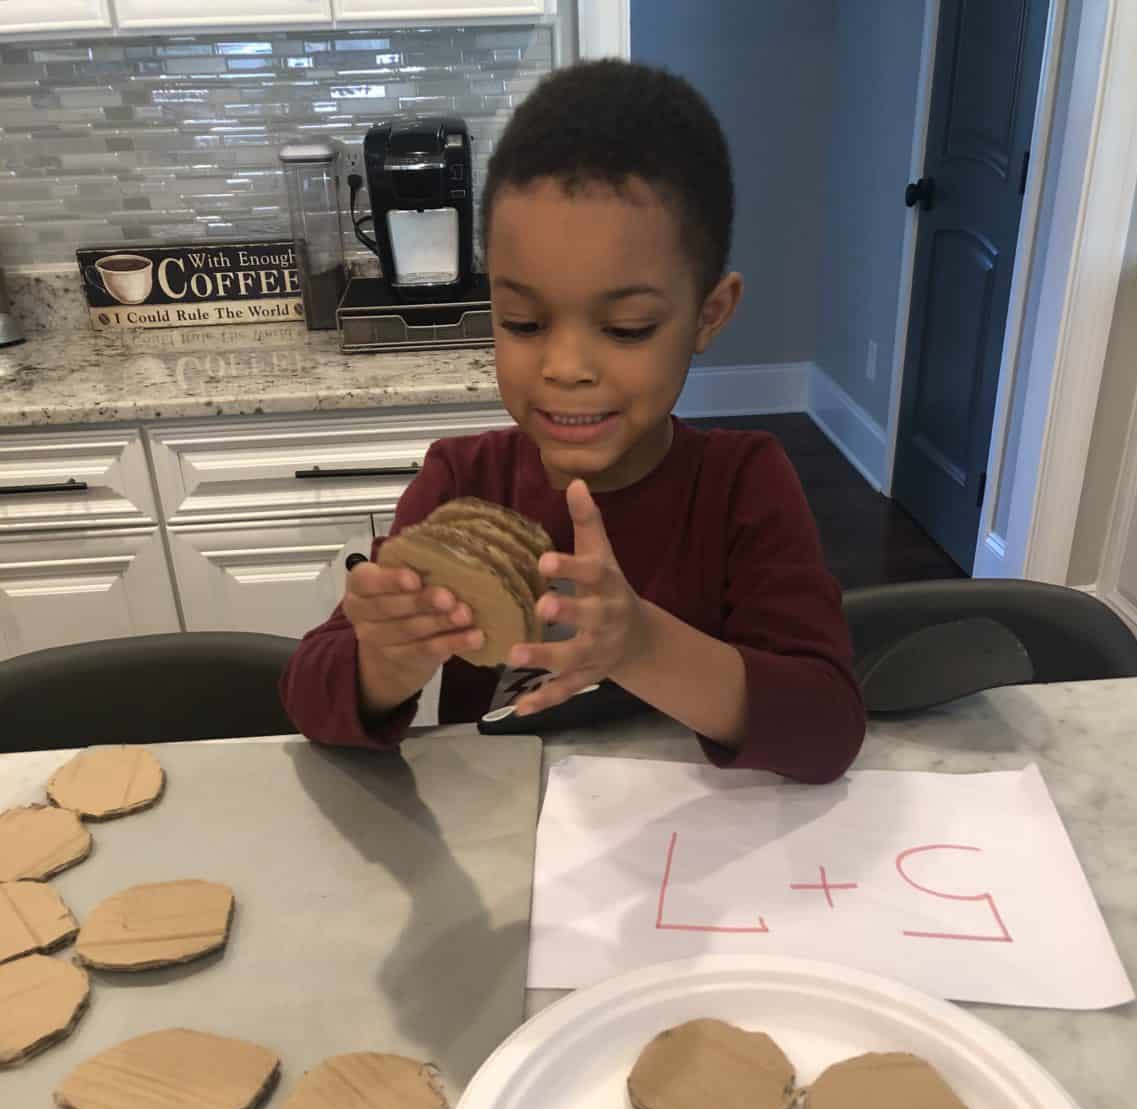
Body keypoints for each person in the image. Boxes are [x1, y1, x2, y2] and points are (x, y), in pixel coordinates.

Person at [280, 59, 865, 784]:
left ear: (708, 316)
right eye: (522, 322)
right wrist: (383, 664)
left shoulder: (743, 485)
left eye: (626, 328)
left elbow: (828, 729)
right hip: (506, 843)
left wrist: (643, 646)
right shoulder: (461, 482)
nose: (564, 367)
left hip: (687, 856)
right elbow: (311, 698)